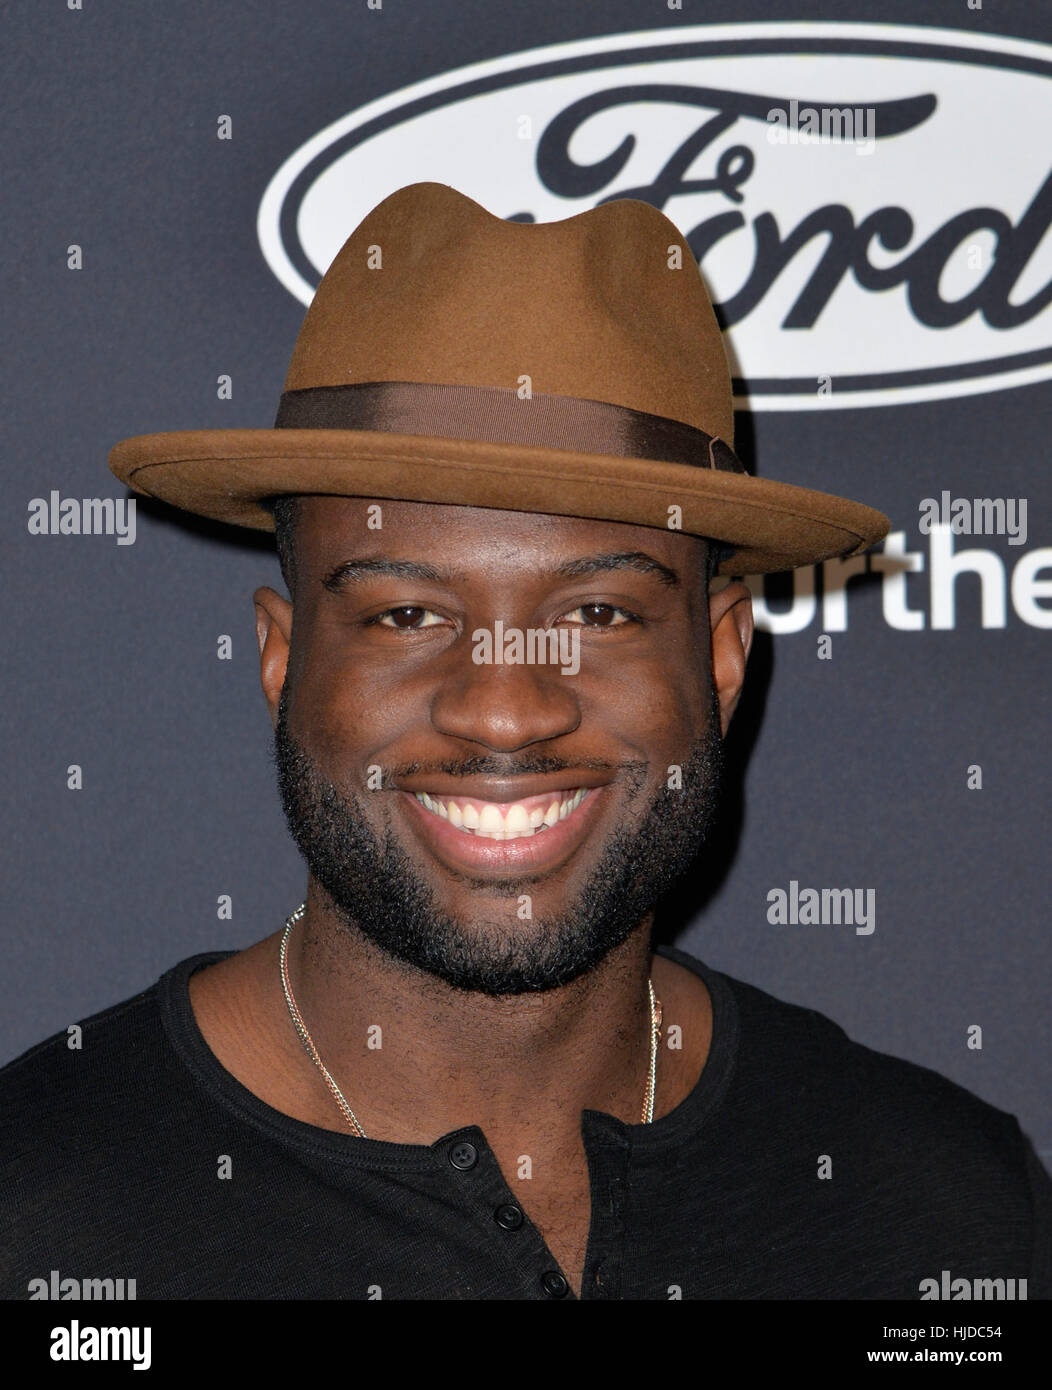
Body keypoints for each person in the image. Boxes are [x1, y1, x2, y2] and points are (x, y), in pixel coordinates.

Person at [2, 183, 1048, 1301]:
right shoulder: (37, 1224)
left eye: (598, 615)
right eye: (406, 615)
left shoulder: (943, 1215)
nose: (503, 711)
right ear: (281, 658)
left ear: (721, 659)